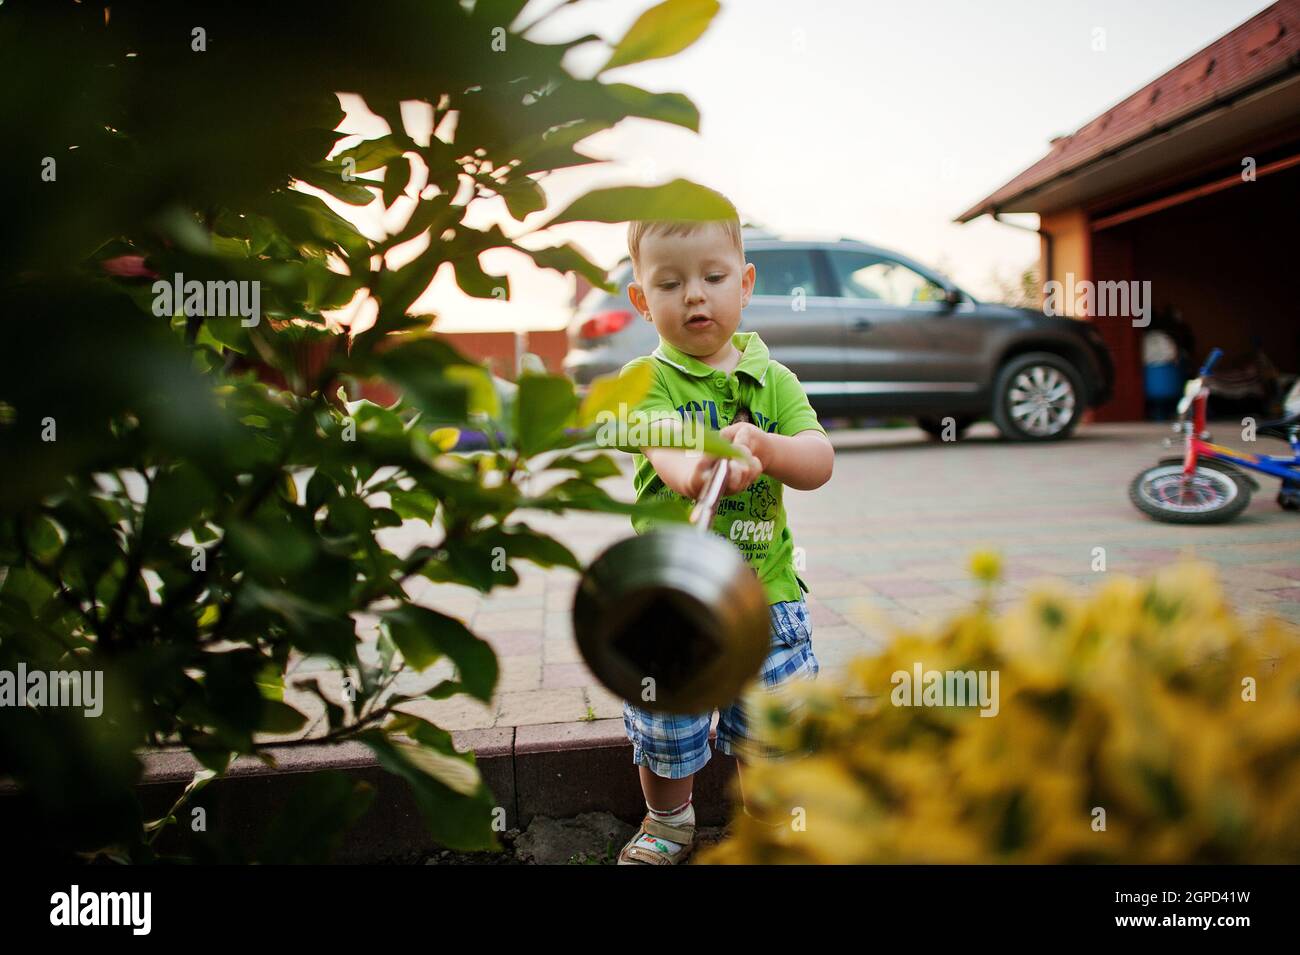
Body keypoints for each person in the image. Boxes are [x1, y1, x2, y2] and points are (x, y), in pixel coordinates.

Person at [612, 194, 835, 864]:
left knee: (774, 727)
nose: (694, 297)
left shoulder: (775, 380)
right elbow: (668, 454)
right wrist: (701, 462)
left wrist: (766, 448)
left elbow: (818, 459)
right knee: (666, 726)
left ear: (745, 284)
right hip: (673, 603)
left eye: (712, 277)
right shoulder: (642, 380)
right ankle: (668, 819)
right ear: (642, 300)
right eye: (670, 283)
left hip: (766, 597)